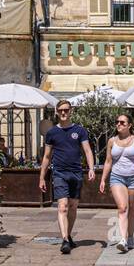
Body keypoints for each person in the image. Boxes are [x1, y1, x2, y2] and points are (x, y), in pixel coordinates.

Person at [38, 100, 96, 255]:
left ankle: (68, 235)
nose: (63, 113)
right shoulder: (52, 133)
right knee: (62, 205)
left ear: (71, 111)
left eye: (66, 110)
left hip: (76, 173)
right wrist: (42, 177)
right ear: (56, 112)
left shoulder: (80, 130)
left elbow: (87, 151)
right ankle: (64, 240)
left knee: (73, 206)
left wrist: (91, 168)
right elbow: (46, 156)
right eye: (60, 110)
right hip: (59, 173)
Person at [99, 112, 134, 252]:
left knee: (131, 209)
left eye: (122, 122)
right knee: (122, 208)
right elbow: (108, 161)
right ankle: (123, 239)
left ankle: (131, 238)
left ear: (129, 125)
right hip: (117, 177)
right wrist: (103, 179)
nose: (119, 124)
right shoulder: (111, 141)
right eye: (117, 122)